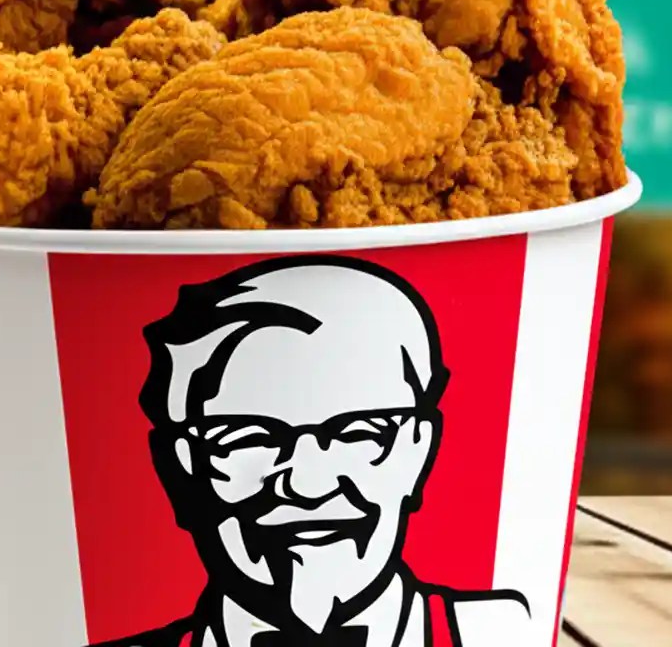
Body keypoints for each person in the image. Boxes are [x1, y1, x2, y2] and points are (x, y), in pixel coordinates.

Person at [94, 256, 530, 647]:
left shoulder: (502, 632)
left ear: (418, 452)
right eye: (247, 438)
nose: (308, 484)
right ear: (179, 471)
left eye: (359, 433)